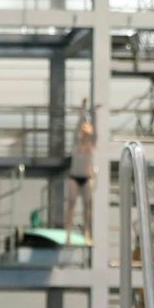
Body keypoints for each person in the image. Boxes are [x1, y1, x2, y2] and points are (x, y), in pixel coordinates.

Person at [64, 100, 99, 241]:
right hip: (74, 177)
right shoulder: (76, 144)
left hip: (86, 178)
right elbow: (77, 128)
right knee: (71, 204)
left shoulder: (92, 145)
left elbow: (95, 131)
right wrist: (82, 112)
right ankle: (68, 234)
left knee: (87, 206)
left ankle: (87, 232)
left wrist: (95, 113)